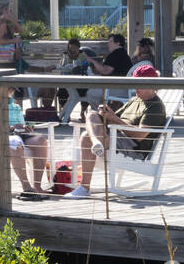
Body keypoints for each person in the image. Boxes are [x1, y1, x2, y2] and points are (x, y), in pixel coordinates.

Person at [66, 65, 167, 198]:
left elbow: (139, 136)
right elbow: (114, 118)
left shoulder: (155, 107)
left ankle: (84, 187)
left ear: (151, 84)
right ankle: (97, 142)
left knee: (86, 137)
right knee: (92, 114)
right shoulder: (135, 99)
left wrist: (113, 119)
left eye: (139, 84)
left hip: (132, 148)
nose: (135, 88)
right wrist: (106, 113)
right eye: (134, 83)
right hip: (115, 136)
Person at [0, 88, 53, 195]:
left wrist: (27, 128)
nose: (10, 91)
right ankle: (26, 186)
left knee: (40, 140)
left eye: (12, 89)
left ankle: (37, 186)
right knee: (15, 142)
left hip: (19, 136)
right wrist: (9, 127)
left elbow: (21, 126)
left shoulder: (15, 106)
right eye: (8, 88)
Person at [84, 34, 133, 109]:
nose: (108, 44)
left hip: (117, 89)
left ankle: (100, 115)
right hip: (124, 88)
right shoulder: (123, 53)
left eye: (110, 41)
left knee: (91, 93)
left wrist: (92, 61)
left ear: (118, 43)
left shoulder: (116, 54)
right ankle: (105, 113)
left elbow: (105, 71)